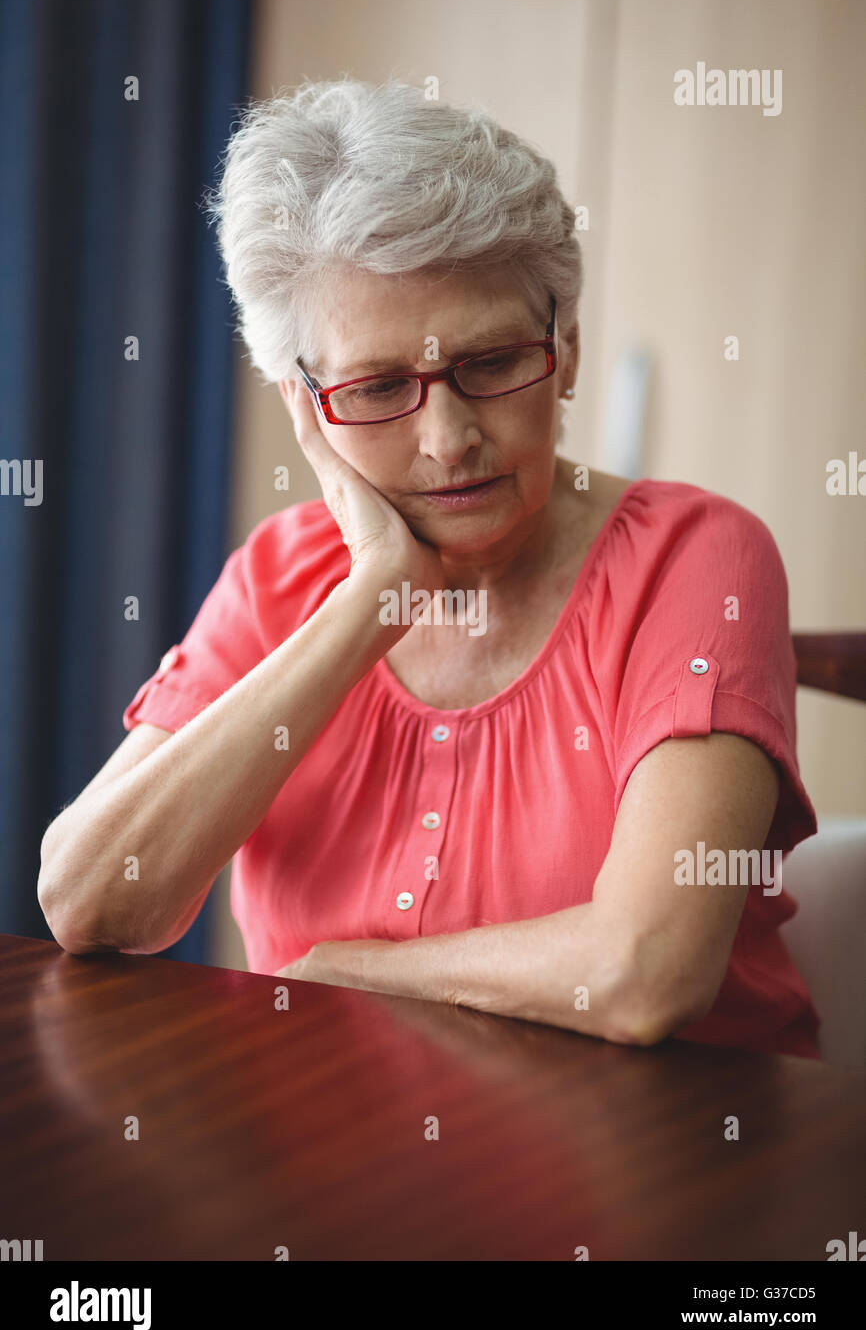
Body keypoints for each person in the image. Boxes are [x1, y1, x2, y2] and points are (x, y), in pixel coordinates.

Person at [38, 78, 821, 1058]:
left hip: (668, 1165)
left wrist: (346, 970)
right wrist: (372, 595)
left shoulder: (694, 557)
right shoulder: (283, 575)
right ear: (305, 406)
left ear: (566, 349)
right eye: (375, 388)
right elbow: (89, 901)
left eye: (489, 363)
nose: (447, 440)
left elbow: (644, 972)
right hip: (336, 1171)